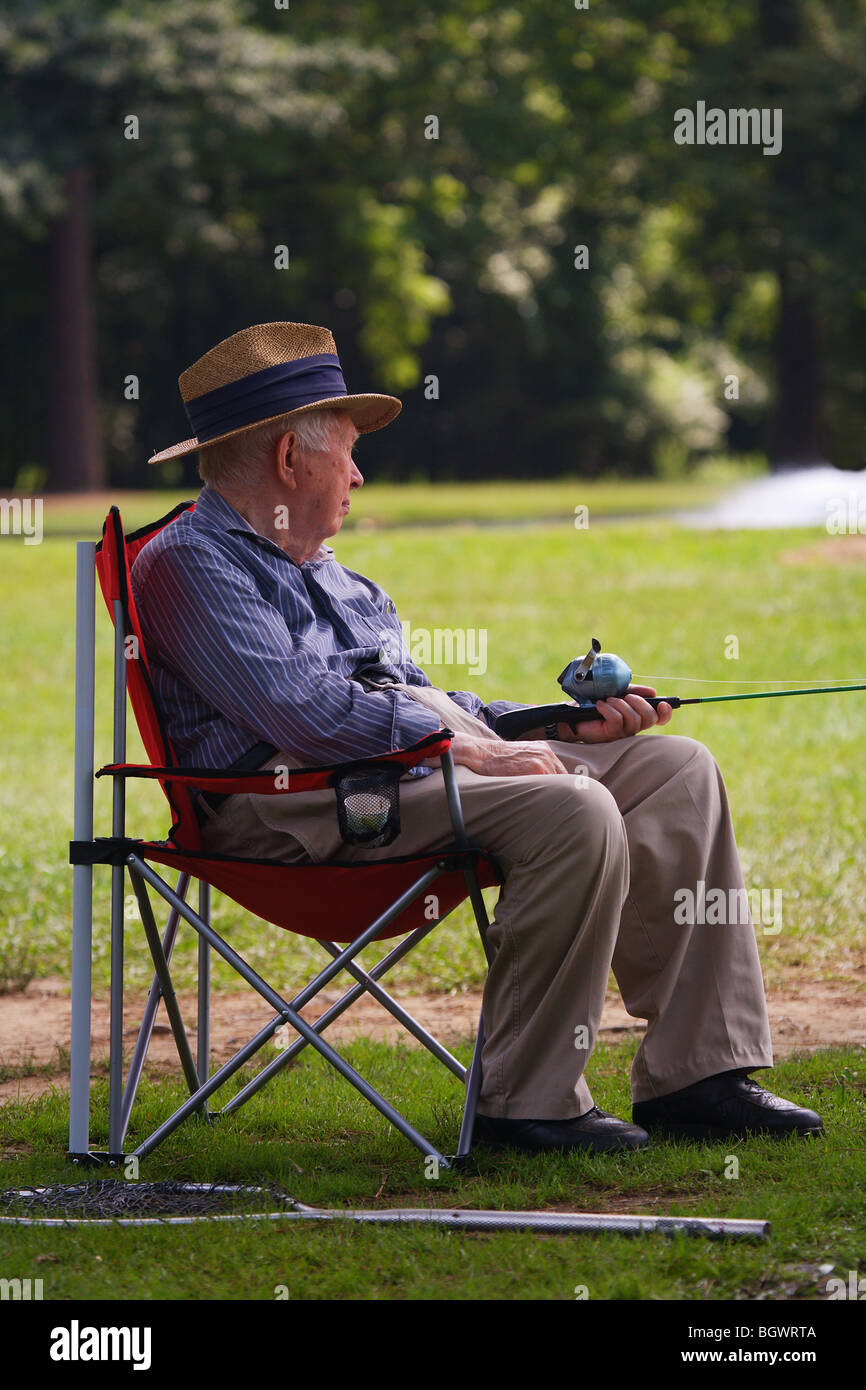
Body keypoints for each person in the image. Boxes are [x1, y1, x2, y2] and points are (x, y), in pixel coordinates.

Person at [132, 320, 822, 1154]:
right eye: (347, 453)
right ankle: (521, 1103)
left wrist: (549, 723)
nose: (358, 474)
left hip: (398, 777)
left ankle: (698, 1075)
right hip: (297, 806)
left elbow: (419, 696)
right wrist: (471, 748)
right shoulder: (187, 564)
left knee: (673, 765)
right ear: (288, 460)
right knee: (571, 809)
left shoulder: (332, 573)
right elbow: (303, 714)